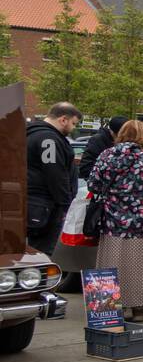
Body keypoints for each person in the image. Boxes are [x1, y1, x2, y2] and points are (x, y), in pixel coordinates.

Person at [86, 120, 143, 323]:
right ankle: (138, 310)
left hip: (111, 221)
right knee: (139, 266)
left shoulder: (106, 156)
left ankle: (107, 309)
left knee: (109, 264)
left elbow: (93, 184)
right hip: (142, 223)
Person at [26, 102, 81, 255]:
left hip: (35, 204)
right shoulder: (48, 139)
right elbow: (55, 174)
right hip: (46, 206)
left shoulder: (33, 134)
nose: (73, 128)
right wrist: (65, 203)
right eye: (73, 123)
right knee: (43, 253)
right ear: (63, 119)